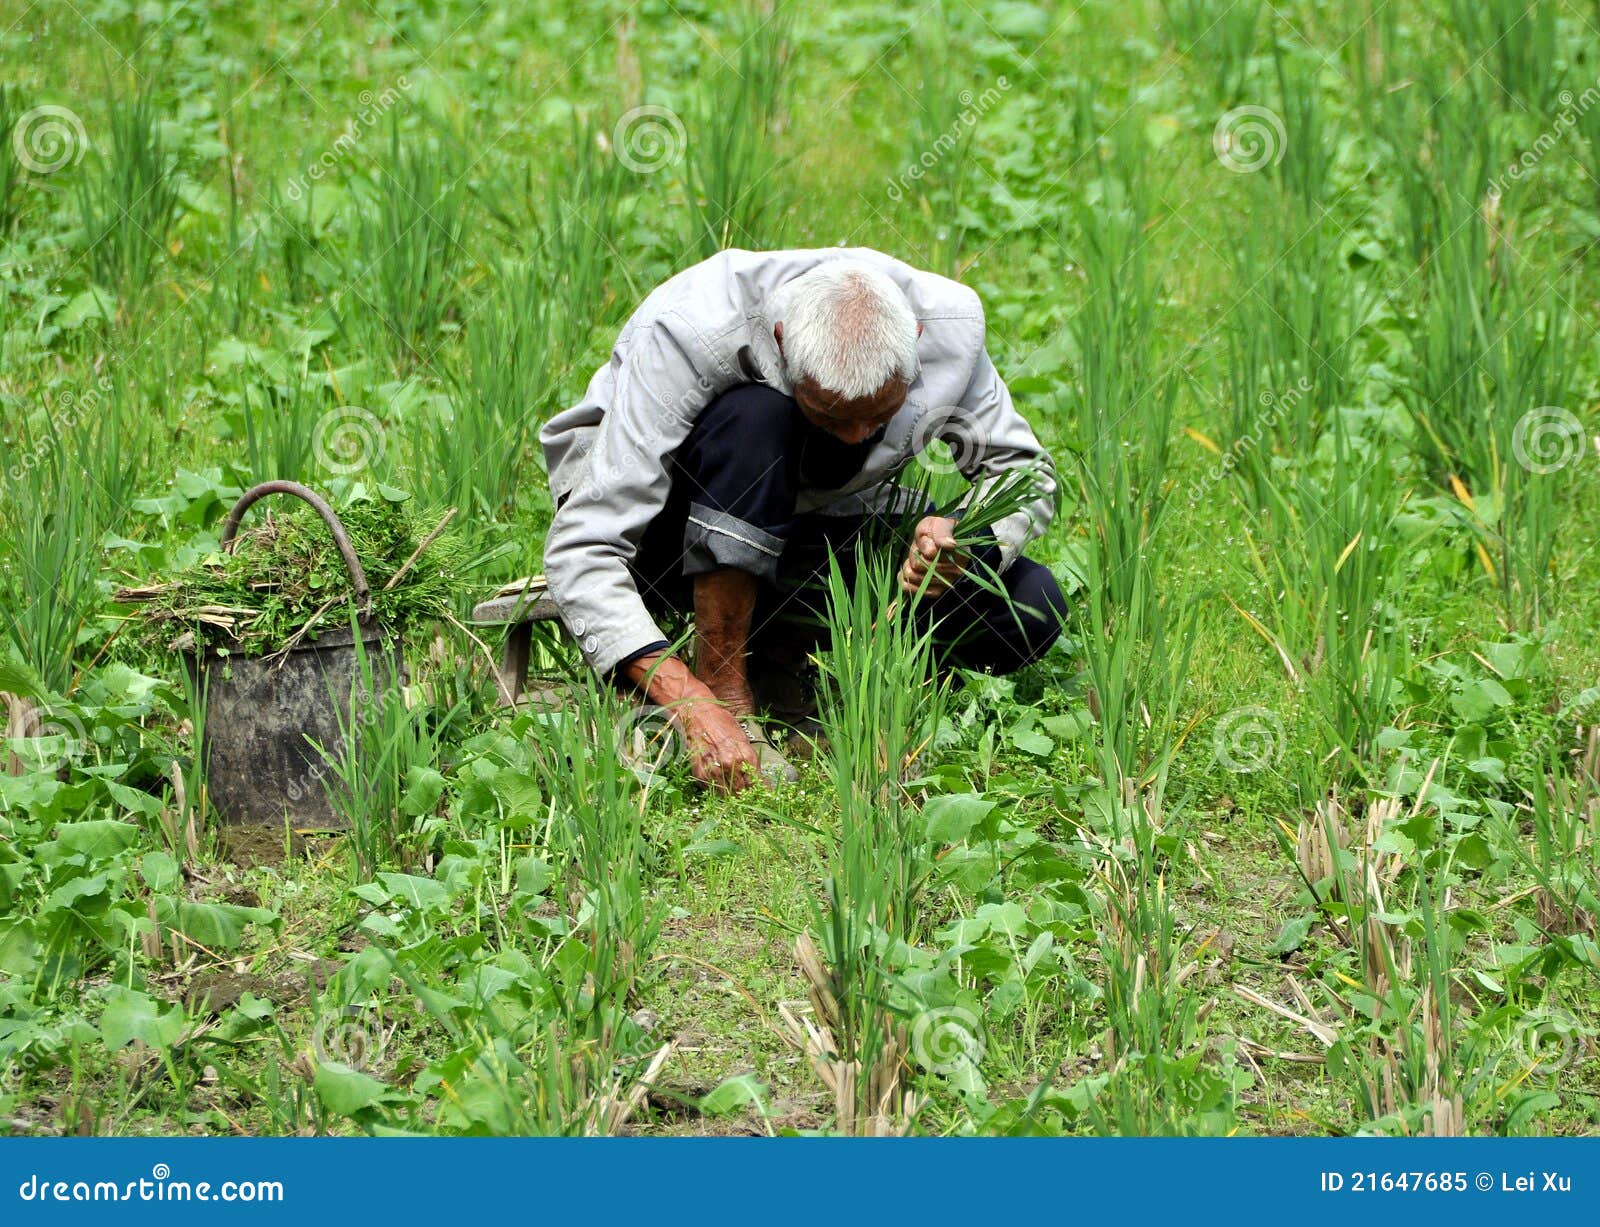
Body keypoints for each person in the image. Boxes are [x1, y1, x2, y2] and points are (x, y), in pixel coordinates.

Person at [539, 248, 1066, 791]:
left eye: (879, 417)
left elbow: (1024, 471)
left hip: (814, 528)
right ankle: (725, 691)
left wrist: (965, 536)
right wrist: (688, 699)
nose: (857, 436)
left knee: (1030, 600)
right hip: (669, 537)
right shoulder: (693, 327)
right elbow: (585, 544)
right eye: (831, 416)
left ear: (916, 336)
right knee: (755, 422)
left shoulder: (949, 325)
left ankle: (809, 669)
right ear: (785, 342)